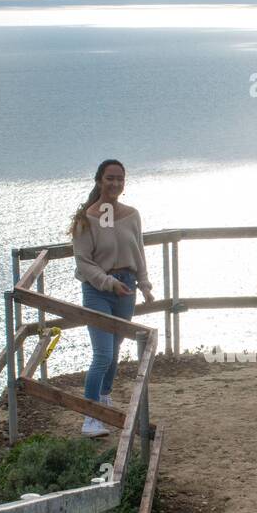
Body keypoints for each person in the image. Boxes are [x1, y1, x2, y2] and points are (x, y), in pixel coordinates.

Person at [69, 159, 153, 437]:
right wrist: (108, 282)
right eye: (110, 178)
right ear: (99, 181)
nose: (115, 184)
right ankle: (90, 418)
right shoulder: (86, 219)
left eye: (120, 179)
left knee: (114, 350)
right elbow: (83, 262)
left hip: (126, 287)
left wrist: (144, 284)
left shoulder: (132, 215)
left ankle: (104, 397)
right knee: (102, 354)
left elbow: (138, 251)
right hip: (98, 290)